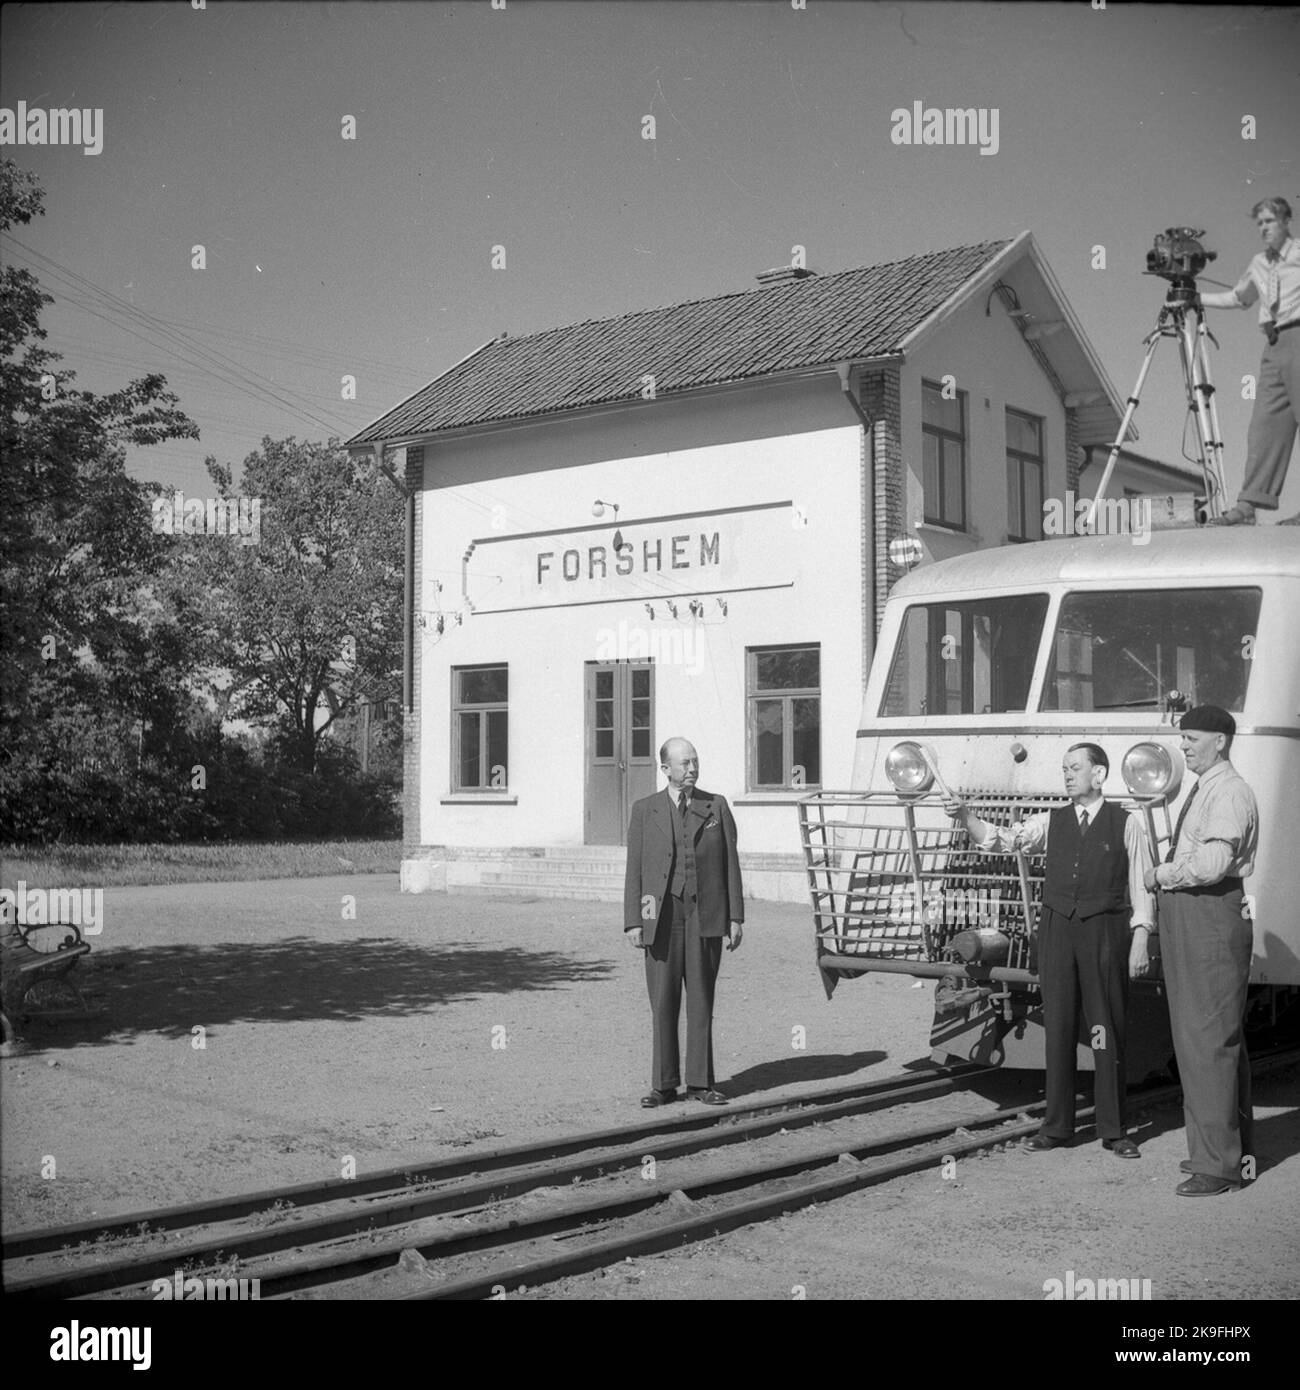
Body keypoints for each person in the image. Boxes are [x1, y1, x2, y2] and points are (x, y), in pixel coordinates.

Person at [944, 744, 1155, 1158]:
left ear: (1099, 775)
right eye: (1064, 768)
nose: (1067, 775)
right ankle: (1057, 1127)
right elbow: (1005, 841)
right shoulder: (1051, 821)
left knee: (1105, 1029)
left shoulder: (1126, 823)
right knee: (1058, 1026)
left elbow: (1141, 885)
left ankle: (1114, 1130)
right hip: (1058, 931)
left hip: (1105, 933)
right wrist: (967, 816)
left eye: (1076, 768)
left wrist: (1142, 935)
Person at [1143, 706, 1258, 1196]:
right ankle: (1236, 1153)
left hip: (1207, 914)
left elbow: (1212, 862)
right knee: (1213, 1039)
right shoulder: (1209, 787)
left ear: (1221, 741)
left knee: (1205, 1041)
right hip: (1197, 916)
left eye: (1191, 738)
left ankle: (1216, 1167)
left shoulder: (1229, 791)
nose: (1184, 746)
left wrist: (1161, 874)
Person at [623, 737, 743, 1107]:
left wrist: (735, 916)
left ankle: (700, 1082)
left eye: (695, 761)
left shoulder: (716, 806)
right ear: (666, 770)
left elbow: (730, 864)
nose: (692, 769)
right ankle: (663, 1084)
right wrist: (634, 921)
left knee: (702, 1000)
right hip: (661, 917)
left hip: (705, 916)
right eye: (684, 763)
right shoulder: (645, 810)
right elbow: (636, 871)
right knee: (663, 1001)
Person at [1200, 197, 1300, 526]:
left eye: (1270, 221)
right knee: (1264, 425)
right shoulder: (1258, 262)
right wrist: (1195, 298)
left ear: (1286, 221)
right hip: (1273, 345)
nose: (1264, 228)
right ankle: (1248, 505)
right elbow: (1238, 298)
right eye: (1259, 224)